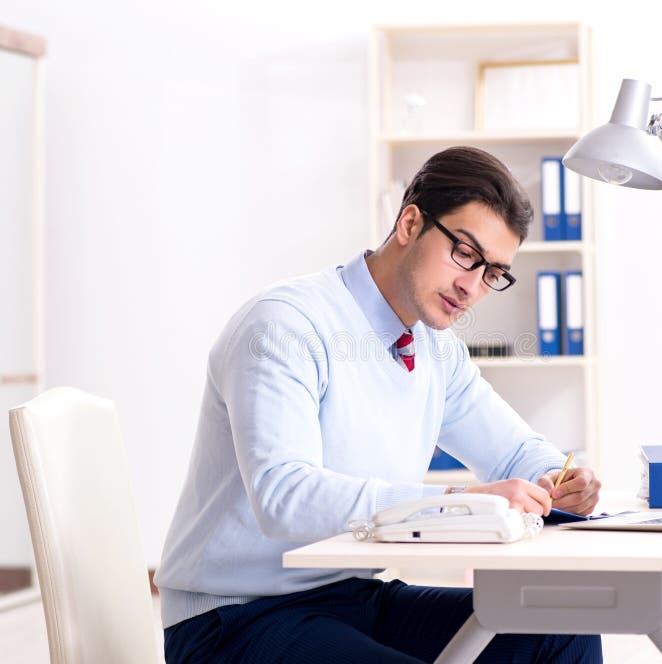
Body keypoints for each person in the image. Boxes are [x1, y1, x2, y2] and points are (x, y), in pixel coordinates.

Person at [155, 146, 603, 663]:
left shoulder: (436, 348)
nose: (472, 286)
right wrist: (461, 502)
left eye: (493, 273)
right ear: (410, 223)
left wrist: (560, 477)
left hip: (350, 595)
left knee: (561, 630)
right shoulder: (284, 325)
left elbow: (514, 452)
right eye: (465, 253)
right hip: (234, 619)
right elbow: (284, 496)